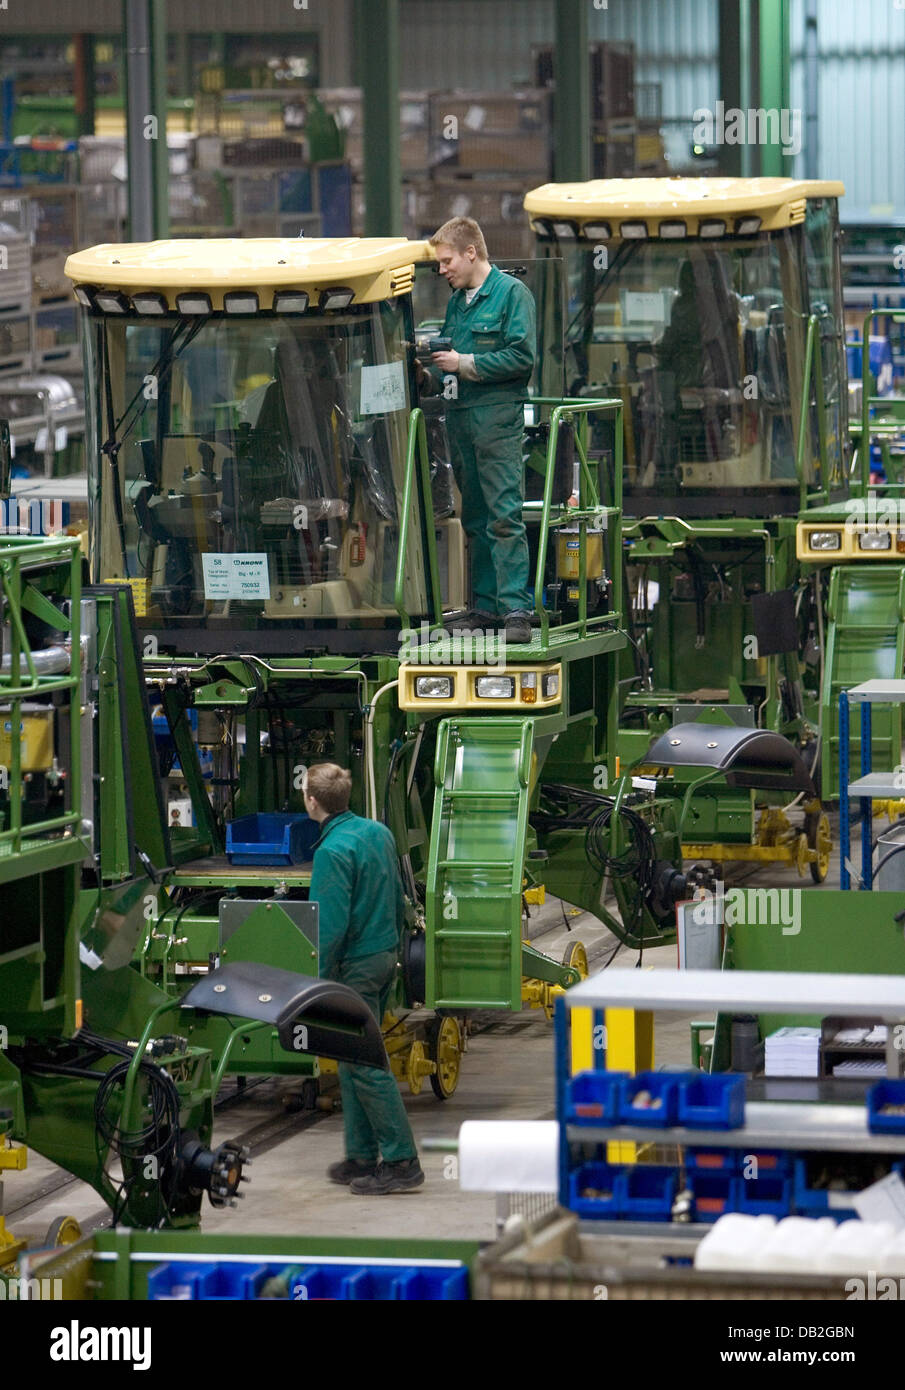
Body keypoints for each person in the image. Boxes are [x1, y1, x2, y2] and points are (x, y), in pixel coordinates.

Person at [304, 763, 424, 1195]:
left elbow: (329, 928)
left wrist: (313, 985)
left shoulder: (331, 853)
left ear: (311, 801)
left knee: (367, 1064)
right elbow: (397, 896)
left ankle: (401, 1160)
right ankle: (360, 1154)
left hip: (353, 966)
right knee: (352, 1057)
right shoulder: (378, 833)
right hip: (382, 957)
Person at [420, 216, 537, 645]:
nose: (442, 269)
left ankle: (515, 610)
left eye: (447, 260)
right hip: (462, 421)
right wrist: (425, 376)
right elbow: (447, 363)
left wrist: (464, 364)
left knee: (504, 514)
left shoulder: (511, 295)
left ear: (471, 252)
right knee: (475, 517)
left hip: (496, 420)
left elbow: (522, 357)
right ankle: (485, 607)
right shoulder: (457, 303)